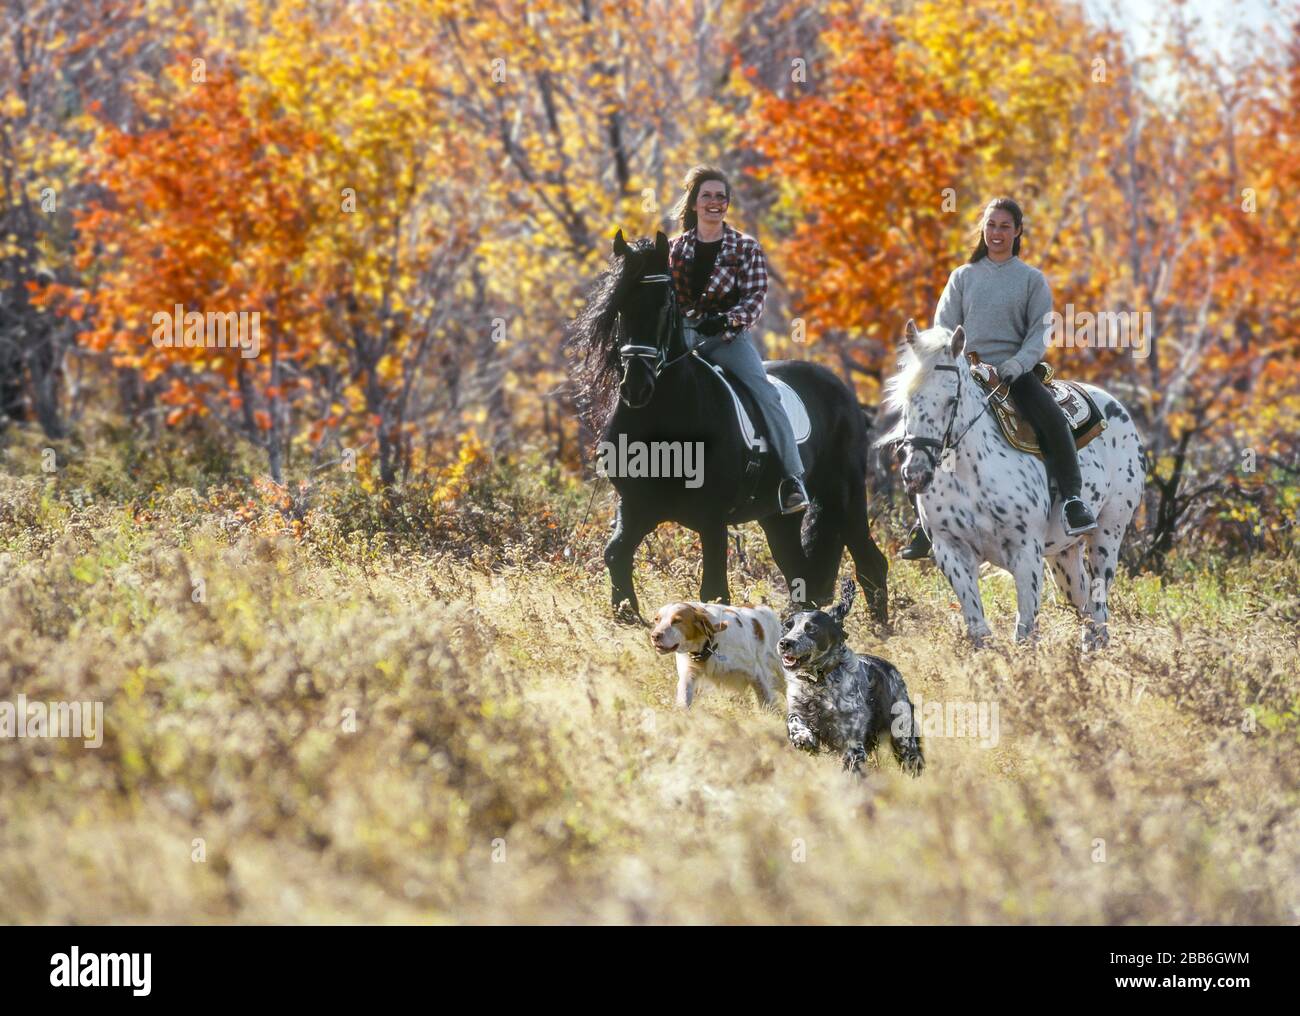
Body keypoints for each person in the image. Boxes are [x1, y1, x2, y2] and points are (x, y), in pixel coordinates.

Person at [902, 197, 1098, 559]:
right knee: (925, 426)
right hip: (964, 371)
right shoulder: (962, 277)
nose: (997, 233)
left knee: (1051, 419)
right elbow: (944, 329)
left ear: (1018, 231)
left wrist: (1017, 364)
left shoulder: (1030, 280)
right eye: (991, 225)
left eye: (1005, 226)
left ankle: (1072, 499)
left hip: (1014, 374)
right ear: (983, 229)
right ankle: (924, 522)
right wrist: (952, 362)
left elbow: (1040, 332)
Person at [667, 165, 809, 515]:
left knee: (765, 391)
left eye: (720, 196)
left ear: (727, 203)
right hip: (683, 339)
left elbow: (756, 297)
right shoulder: (674, 249)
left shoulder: (745, 247)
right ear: (694, 203)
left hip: (727, 340)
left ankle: (791, 478)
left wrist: (727, 319)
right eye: (707, 196)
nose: (714, 202)